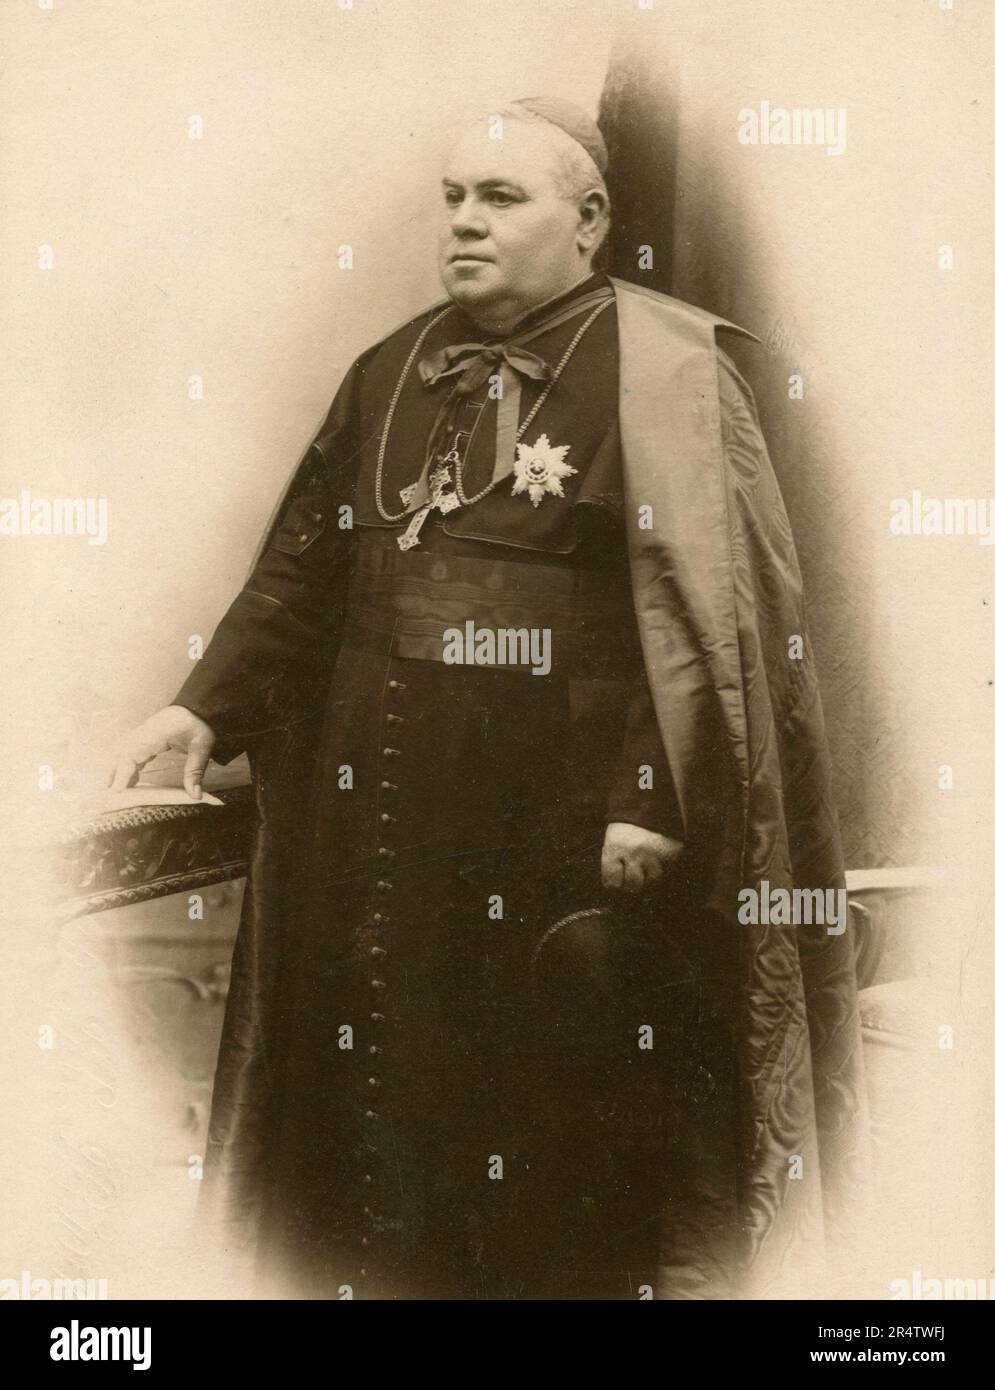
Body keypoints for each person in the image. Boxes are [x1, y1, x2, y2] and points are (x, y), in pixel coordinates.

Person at [108, 98, 869, 1300]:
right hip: (378, 830)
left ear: (589, 219)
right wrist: (206, 706)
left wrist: (648, 796)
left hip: (559, 824)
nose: (463, 221)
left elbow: (705, 632)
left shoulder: (671, 375)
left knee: (550, 1129)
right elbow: (306, 565)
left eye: (499, 198)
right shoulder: (388, 366)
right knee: (385, 1114)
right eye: (453, 197)